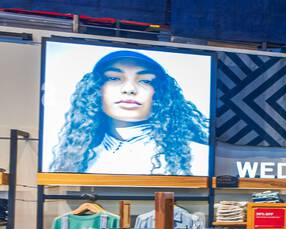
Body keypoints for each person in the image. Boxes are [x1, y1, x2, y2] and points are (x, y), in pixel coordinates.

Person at [50, 50, 209, 175]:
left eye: (145, 81)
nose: (129, 89)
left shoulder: (197, 157)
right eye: (114, 78)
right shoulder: (76, 159)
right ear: (96, 89)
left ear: (159, 93)